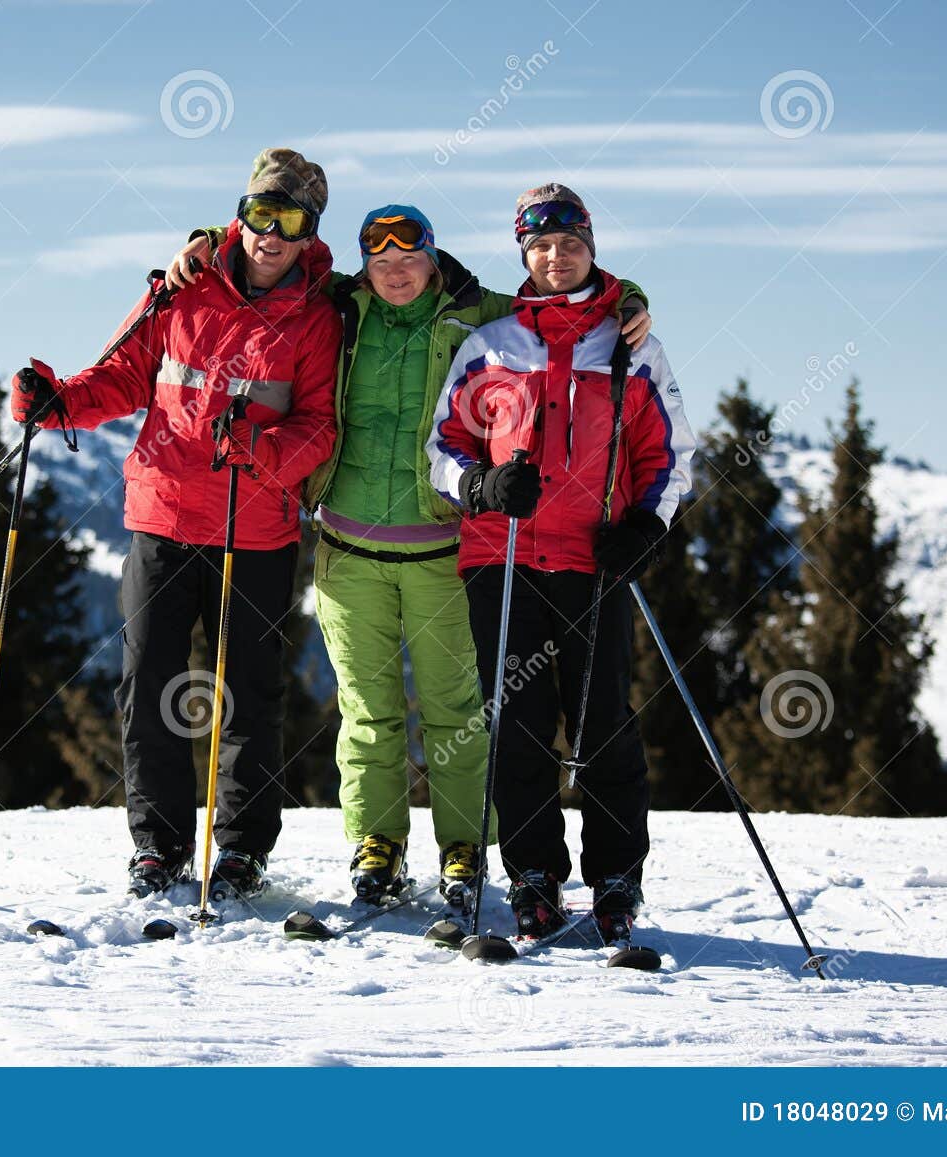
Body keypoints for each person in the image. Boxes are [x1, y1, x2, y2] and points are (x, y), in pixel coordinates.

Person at [169, 203, 653, 910]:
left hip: (443, 551)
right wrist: (210, 241)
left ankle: (463, 845)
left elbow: (561, 299)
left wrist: (630, 295)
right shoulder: (335, 309)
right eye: (382, 264)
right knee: (367, 710)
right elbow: (270, 256)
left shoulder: (477, 314)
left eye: (409, 260)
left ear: (434, 259)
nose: (396, 274)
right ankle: (378, 840)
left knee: (457, 711)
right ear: (365, 269)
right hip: (346, 545)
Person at [12, 148, 341, 900]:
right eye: (262, 212)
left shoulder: (319, 317)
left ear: (310, 230)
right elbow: (124, 373)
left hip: (254, 528)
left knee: (249, 694)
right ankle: (157, 847)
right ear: (242, 211)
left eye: (291, 219)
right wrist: (57, 401)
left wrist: (261, 448)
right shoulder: (180, 289)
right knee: (147, 682)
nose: (272, 232)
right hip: (163, 516)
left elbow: (320, 426)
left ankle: (242, 851)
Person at [426, 183, 695, 941]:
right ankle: (533, 874)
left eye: (570, 243)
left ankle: (615, 877)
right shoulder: (493, 345)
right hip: (501, 557)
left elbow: (668, 452)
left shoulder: (630, 343)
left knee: (602, 722)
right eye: (540, 247)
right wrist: (480, 483)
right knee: (518, 725)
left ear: (590, 248)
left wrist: (647, 525)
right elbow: (444, 447)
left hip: (592, 560)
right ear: (524, 254)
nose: (556, 257)